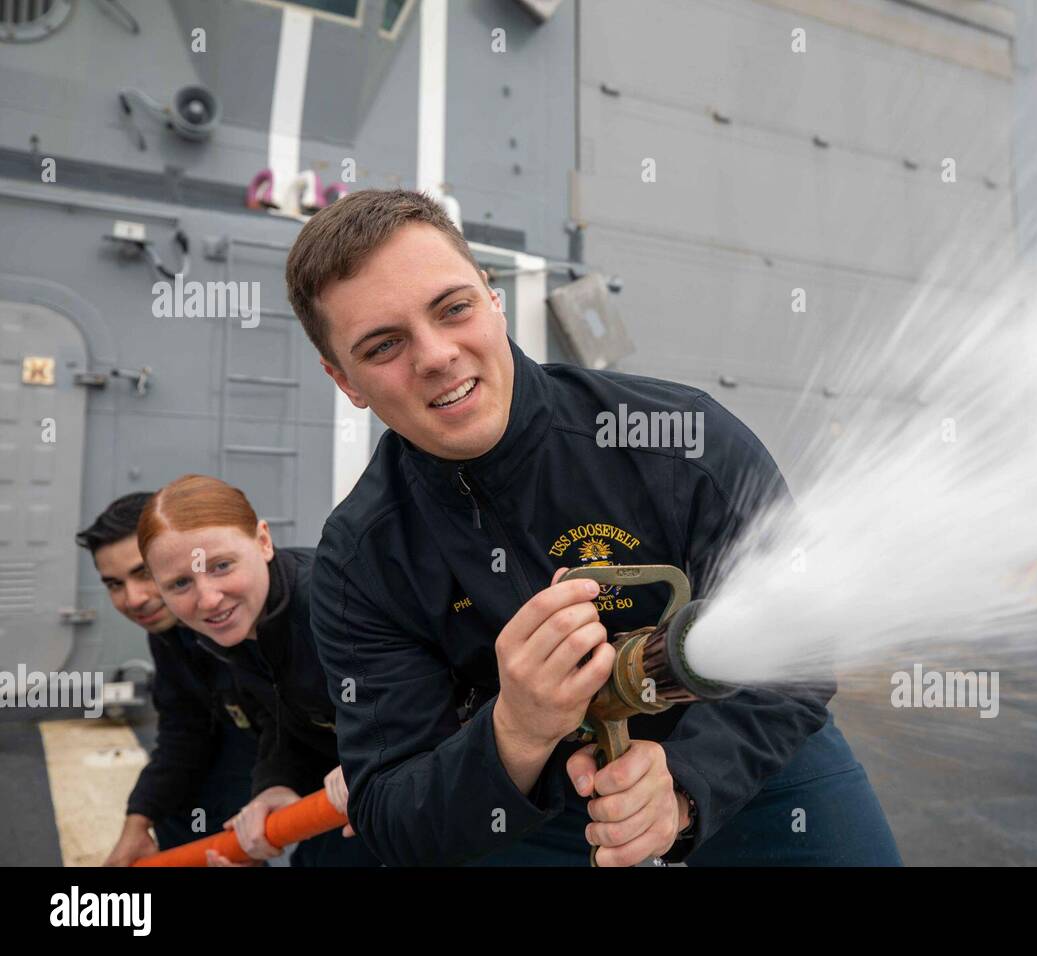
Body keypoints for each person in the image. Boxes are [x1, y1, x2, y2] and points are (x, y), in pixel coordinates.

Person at [284, 188, 902, 866]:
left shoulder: (679, 442)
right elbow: (393, 816)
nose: (435, 356)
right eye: (383, 346)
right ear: (344, 380)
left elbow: (800, 644)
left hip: (754, 760)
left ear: (492, 297)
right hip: (531, 806)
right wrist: (515, 731)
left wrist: (684, 787)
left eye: (452, 308)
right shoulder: (360, 561)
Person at [137, 474, 379, 867]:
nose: (209, 599)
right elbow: (282, 716)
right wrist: (275, 785)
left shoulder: (336, 599)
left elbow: (451, 685)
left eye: (222, 566)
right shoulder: (239, 631)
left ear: (263, 541)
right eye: (180, 583)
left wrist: (383, 752)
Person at [77, 492, 260, 867]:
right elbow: (185, 729)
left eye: (143, 573)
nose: (134, 599)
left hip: (327, 761)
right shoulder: (172, 632)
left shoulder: (256, 620)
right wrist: (139, 819)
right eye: (114, 584)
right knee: (177, 811)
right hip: (248, 741)